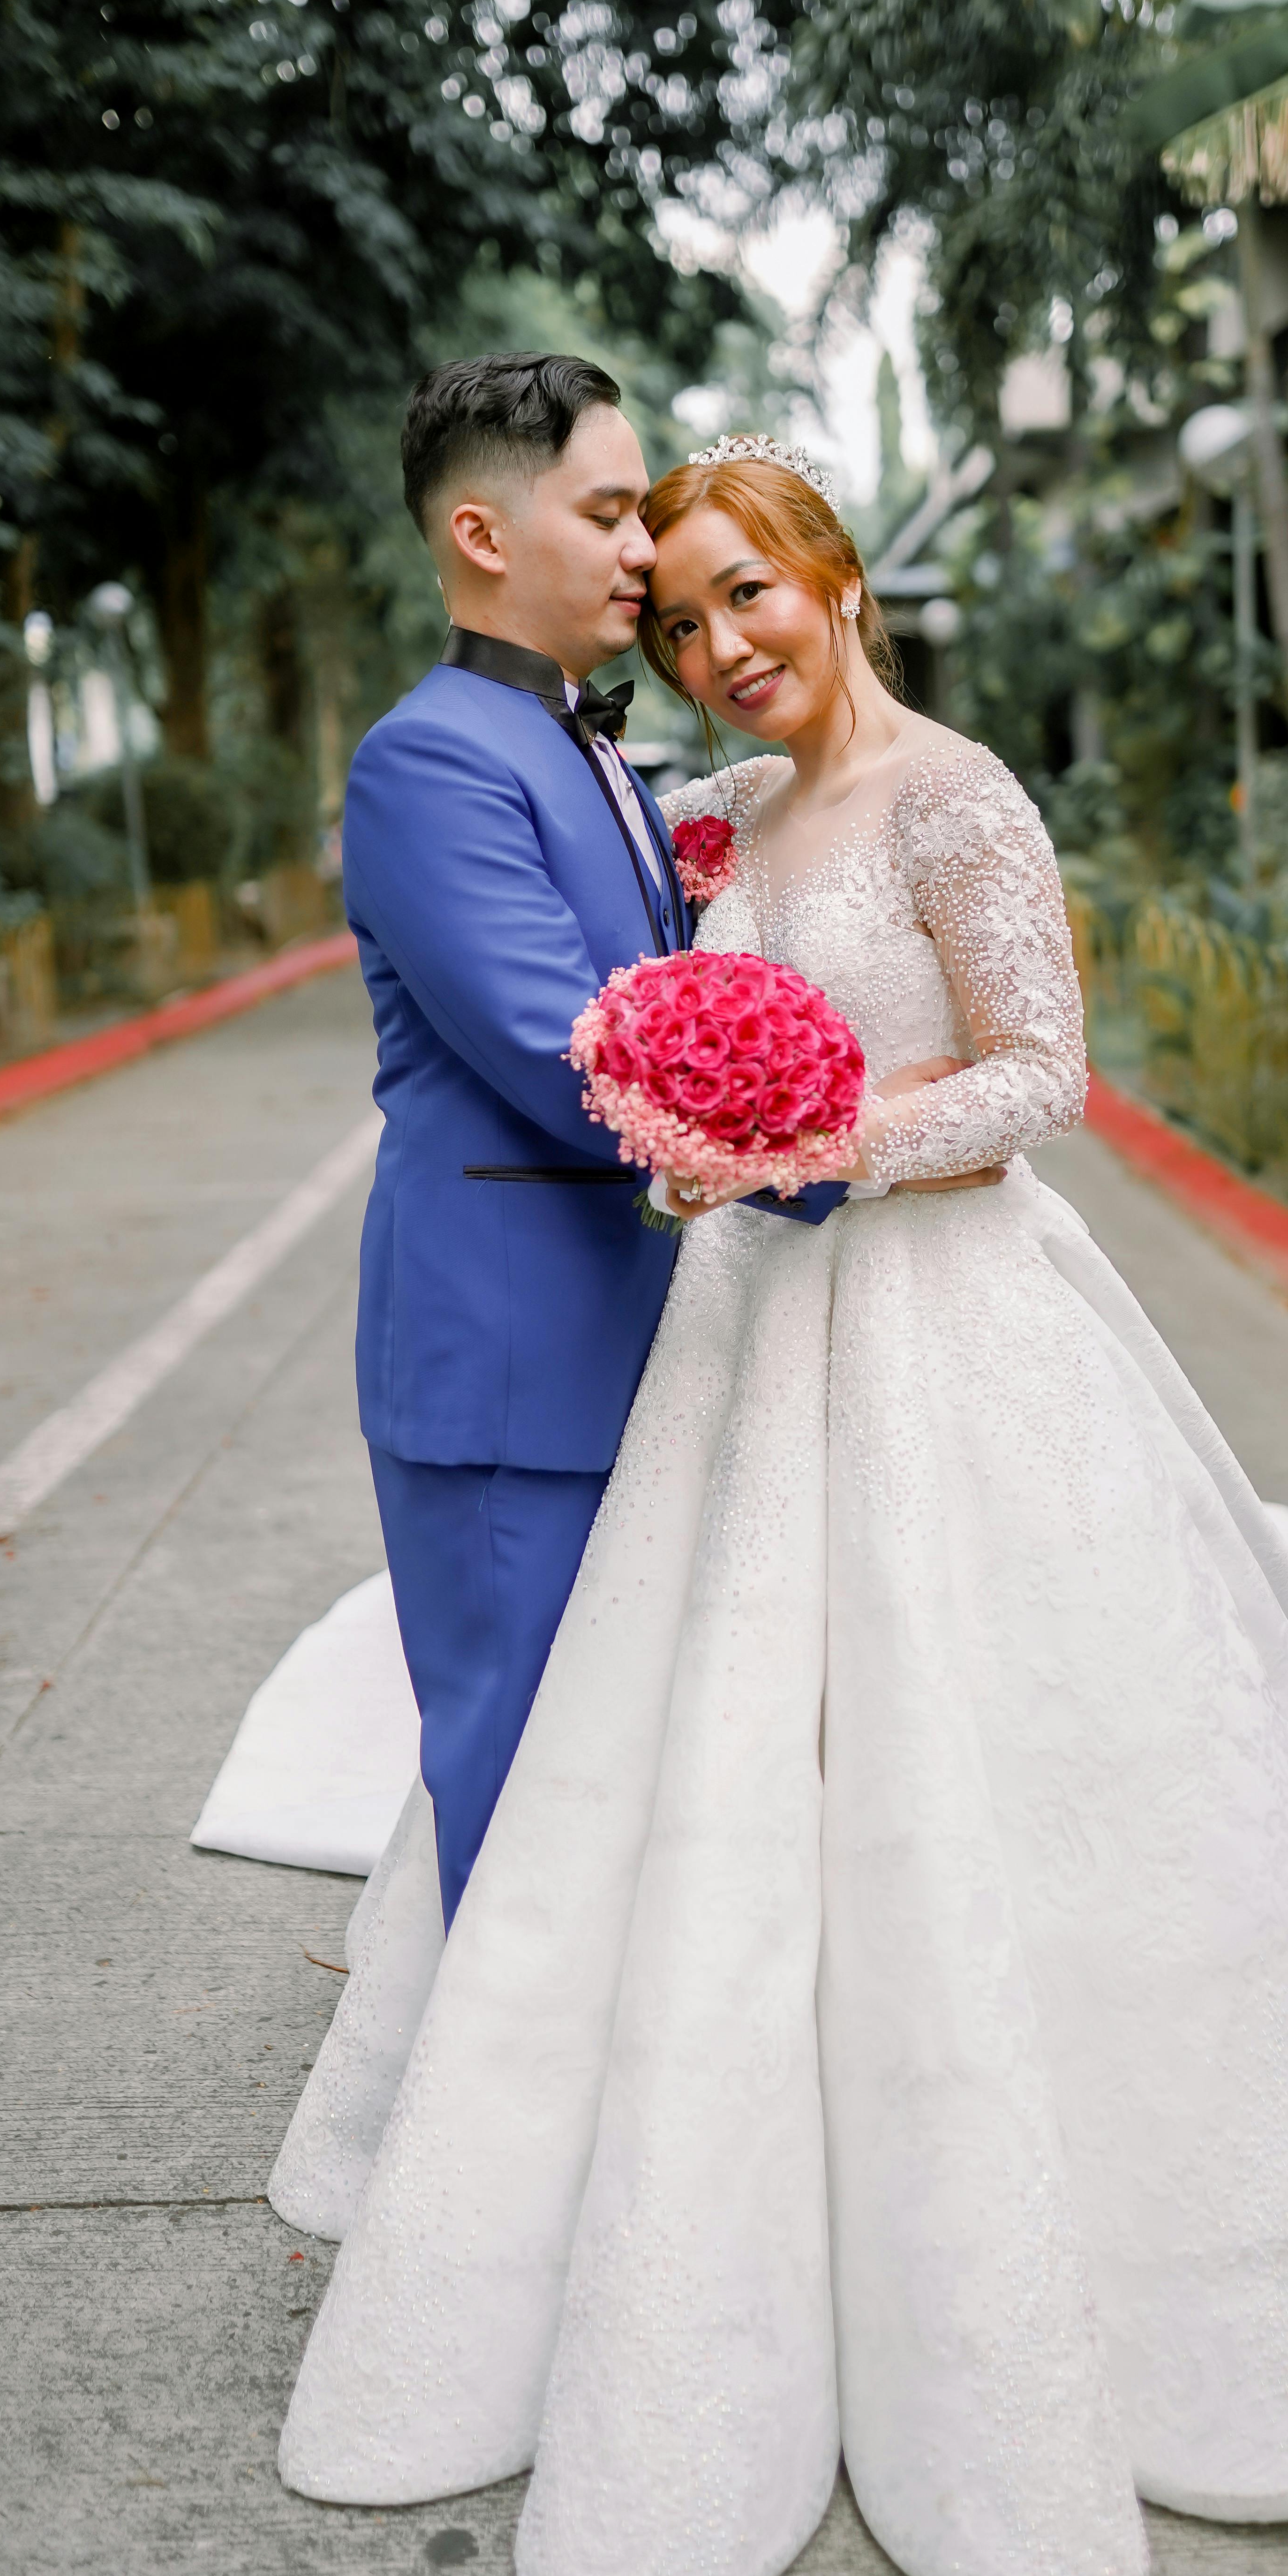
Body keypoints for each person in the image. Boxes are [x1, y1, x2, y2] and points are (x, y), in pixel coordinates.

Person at [218, 438, 1288, 2576]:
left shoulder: (961, 795)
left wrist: (817, 1139)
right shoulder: (720, 819)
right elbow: (602, 1016)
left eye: (746, 597)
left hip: (946, 1326)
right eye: (681, 618)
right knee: (701, 1749)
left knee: (1009, 1754)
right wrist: (695, 1125)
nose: (718, 646)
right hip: (740, 1336)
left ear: (834, 579)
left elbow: (1040, 1077)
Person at [334, 362, 843, 1933]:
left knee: (623, 1769)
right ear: (483, 531)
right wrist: (840, 1152)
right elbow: (583, 1055)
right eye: (611, 511)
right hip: (511, 1366)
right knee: (519, 1765)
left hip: (640, 1344)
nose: (647, 550)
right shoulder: (432, 760)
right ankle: (483, 2155)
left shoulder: (592, 745)